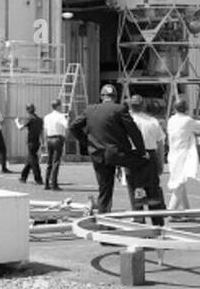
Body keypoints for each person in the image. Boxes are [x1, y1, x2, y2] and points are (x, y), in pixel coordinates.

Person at [70, 84, 147, 214]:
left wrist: (87, 142)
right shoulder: (119, 109)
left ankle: (103, 218)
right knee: (144, 164)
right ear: (115, 97)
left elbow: (73, 127)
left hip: (97, 154)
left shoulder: (90, 110)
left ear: (101, 97)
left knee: (105, 188)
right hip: (117, 153)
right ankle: (140, 205)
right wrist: (141, 152)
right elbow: (134, 132)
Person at [128, 96, 165, 221]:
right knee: (153, 191)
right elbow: (160, 144)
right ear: (143, 105)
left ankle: (139, 223)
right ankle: (158, 222)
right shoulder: (153, 121)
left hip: (133, 156)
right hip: (150, 156)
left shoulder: (127, 121)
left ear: (130, 106)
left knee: (135, 191)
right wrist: (160, 162)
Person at [165, 96, 200, 211]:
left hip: (173, 153)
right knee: (179, 183)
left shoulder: (171, 120)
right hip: (183, 154)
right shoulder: (187, 120)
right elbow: (199, 128)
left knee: (180, 180)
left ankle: (187, 210)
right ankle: (171, 210)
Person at [15, 104, 44, 186]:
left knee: (33, 161)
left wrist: (17, 121)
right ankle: (23, 177)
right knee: (30, 159)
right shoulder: (39, 119)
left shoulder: (30, 119)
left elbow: (20, 128)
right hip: (37, 142)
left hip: (31, 142)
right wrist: (43, 142)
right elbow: (41, 132)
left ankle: (38, 179)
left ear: (27, 110)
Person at [42, 99, 68, 191]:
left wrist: (44, 141)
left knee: (49, 162)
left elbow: (45, 130)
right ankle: (54, 184)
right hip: (57, 138)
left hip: (49, 138)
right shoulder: (61, 116)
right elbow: (67, 126)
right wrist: (67, 118)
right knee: (56, 161)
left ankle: (46, 183)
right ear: (58, 106)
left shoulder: (46, 117)